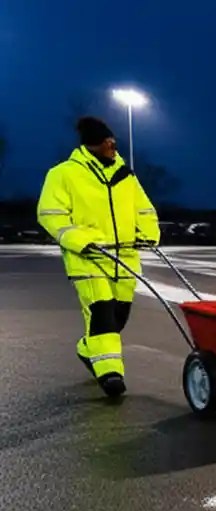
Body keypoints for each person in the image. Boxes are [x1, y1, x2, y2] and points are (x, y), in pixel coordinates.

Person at [37, 117, 160, 398]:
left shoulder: (125, 175)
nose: (114, 146)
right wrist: (81, 240)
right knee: (101, 312)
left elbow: (144, 209)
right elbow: (49, 214)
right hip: (88, 257)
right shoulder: (63, 174)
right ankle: (110, 375)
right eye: (109, 143)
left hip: (124, 257)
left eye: (114, 142)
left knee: (118, 318)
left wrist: (149, 234)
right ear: (94, 144)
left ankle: (86, 347)